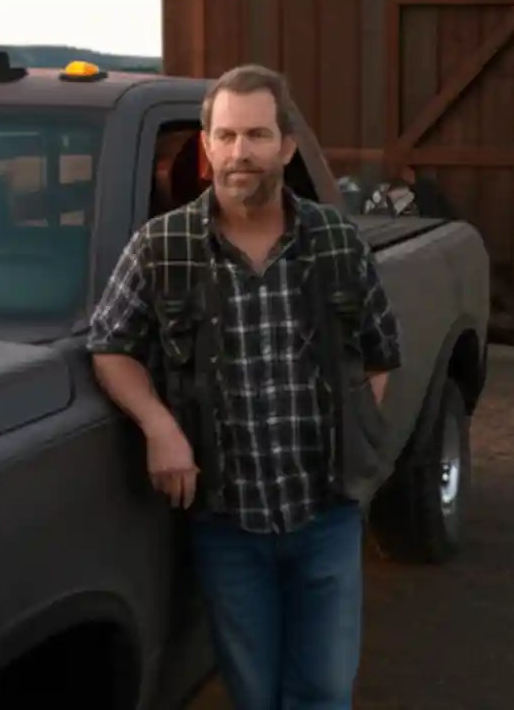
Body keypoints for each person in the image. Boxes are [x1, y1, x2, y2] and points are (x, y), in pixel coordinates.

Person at [85, 64, 402, 709]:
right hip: (227, 525)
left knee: (322, 688)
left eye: (257, 135)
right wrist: (160, 426)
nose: (240, 153)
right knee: (252, 693)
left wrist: (351, 441)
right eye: (225, 136)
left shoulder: (337, 241)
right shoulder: (161, 247)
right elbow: (109, 346)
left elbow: (378, 352)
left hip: (326, 518)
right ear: (204, 145)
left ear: (285, 146)